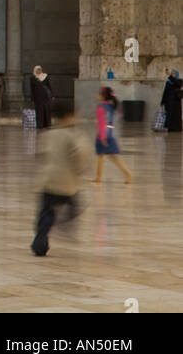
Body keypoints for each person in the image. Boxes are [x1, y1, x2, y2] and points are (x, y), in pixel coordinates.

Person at [31, 101, 94, 256]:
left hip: (47, 180)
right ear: (70, 117)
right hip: (66, 182)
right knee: (74, 205)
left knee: (46, 213)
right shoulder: (73, 135)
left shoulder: (48, 133)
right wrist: (80, 171)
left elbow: (41, 154)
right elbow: (81, 156)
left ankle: (39, 244)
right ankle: (63, 225)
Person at [92, 86, 131, 183]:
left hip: (104, 133)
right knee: (112, 156)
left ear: (102, 96)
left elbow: (101, 123)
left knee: (103, 155)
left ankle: (99, 177)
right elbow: (117, 117)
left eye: (99, 94)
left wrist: (102, 137)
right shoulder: (111, 106)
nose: (97, 95)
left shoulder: (101, 107)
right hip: (111, 132)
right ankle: (126, 174)